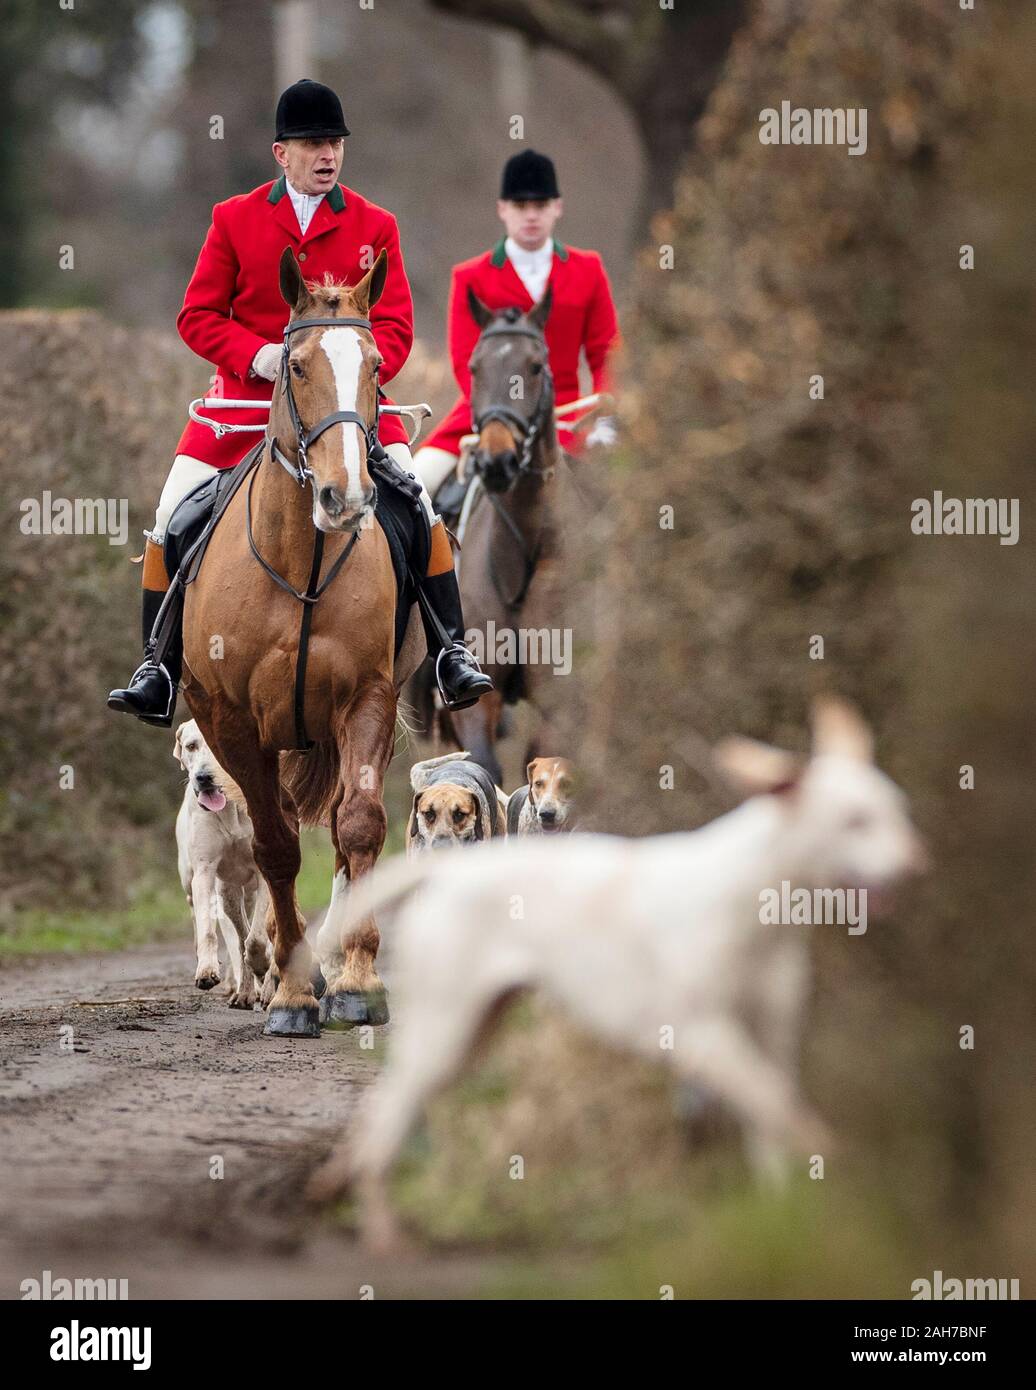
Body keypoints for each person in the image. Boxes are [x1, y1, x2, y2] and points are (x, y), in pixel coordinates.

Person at [108, 78, 491, 728]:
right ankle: (159, 668)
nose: (327, 155)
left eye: (335, 143)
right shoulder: (235, 219)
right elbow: (196, 314)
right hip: (245, 411)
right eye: (313, 144)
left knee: (423, 510)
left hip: (348, 413)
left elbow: (394, 326)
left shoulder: (377, 226)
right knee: (170, 515)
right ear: (280, 152)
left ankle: (451, 654)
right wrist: (254, 355)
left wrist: (358, 376)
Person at [412, 149, 620, 500]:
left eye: (540, 205)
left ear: (557, 207)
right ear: (503, 210)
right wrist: (499, 416)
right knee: (416, 485)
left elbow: (607, 355)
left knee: (620, 501)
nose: (531, 216)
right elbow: (466, 362)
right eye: (521, 206)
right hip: (487, 416)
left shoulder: (588, 270)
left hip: (566, 419)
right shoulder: (470, 277)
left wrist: (606, 418)